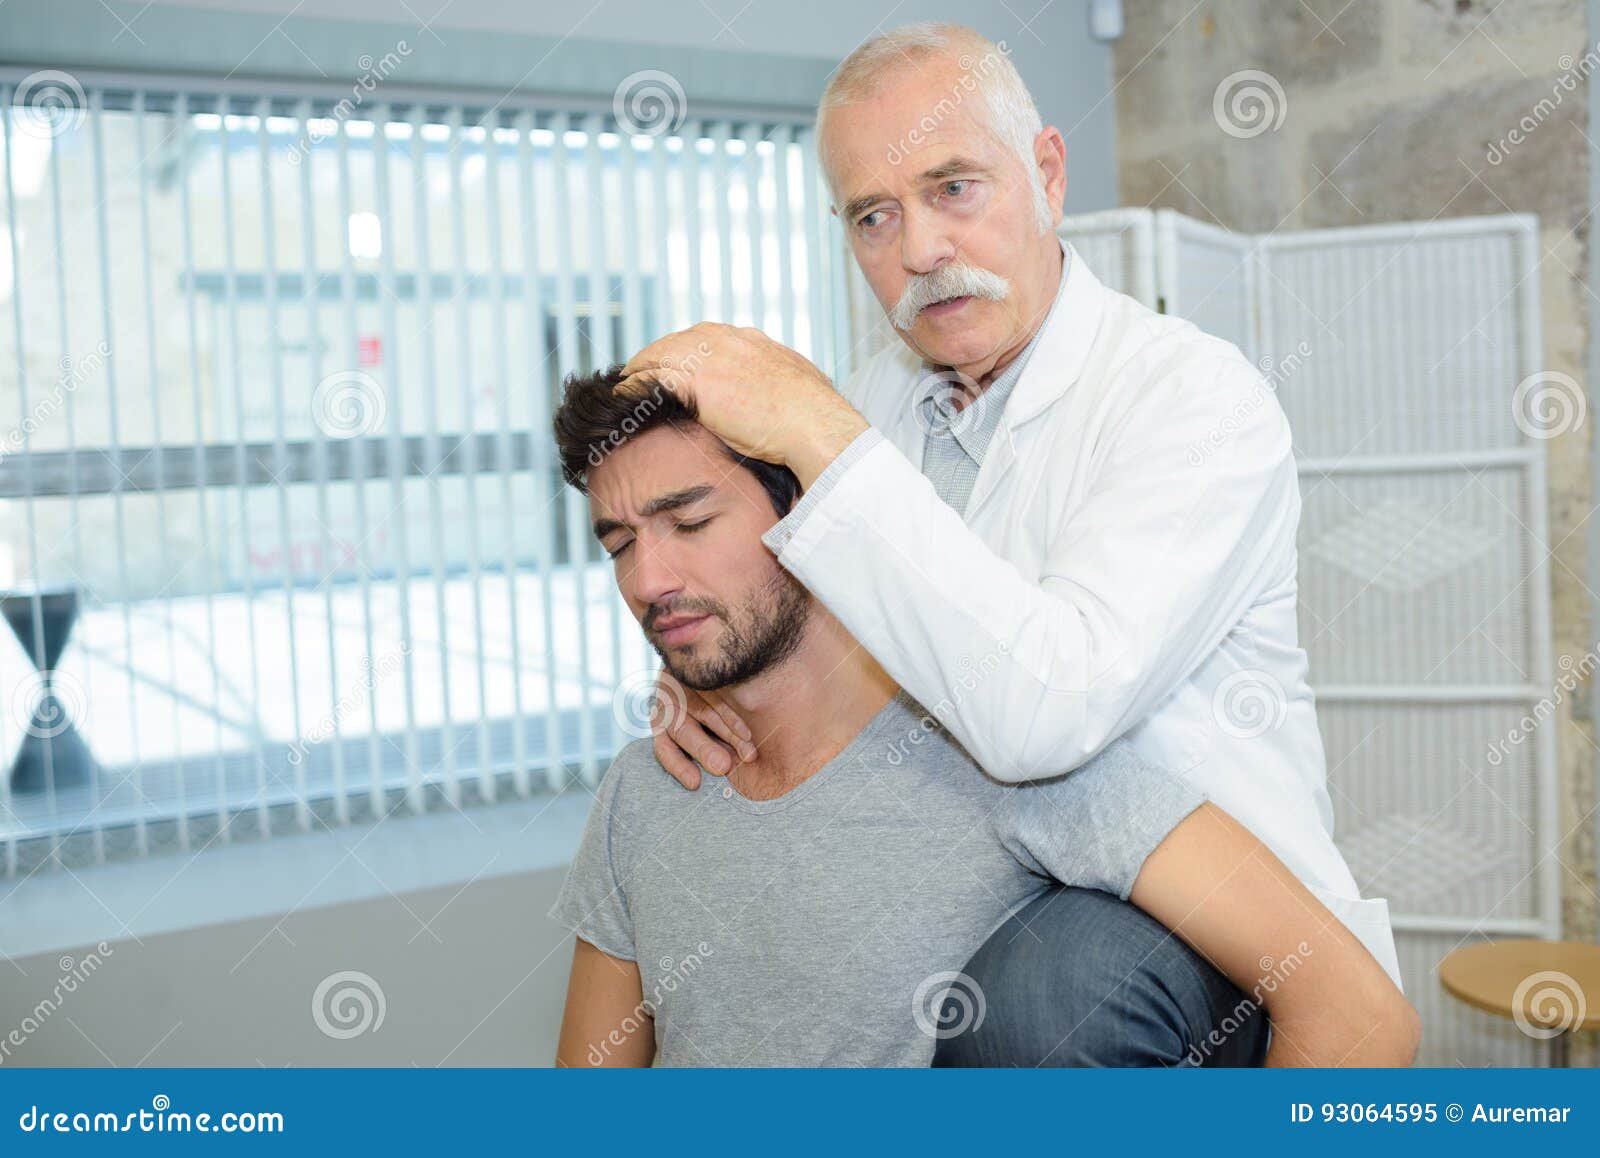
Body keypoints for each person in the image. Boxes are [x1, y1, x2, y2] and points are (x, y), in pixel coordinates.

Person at [617, 24, 1403, 1063]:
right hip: (972, 875)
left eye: (954, 189)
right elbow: (803, 645)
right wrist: (708, 696)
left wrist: (819, 435)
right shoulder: (876, 410)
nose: (919, 251)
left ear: (1045, 173)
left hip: (1187, 910)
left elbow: (1043, 719)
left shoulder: (1190, 400)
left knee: (1042, 998)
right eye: (872, 216)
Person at [546, 365, 1419, 1067]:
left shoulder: (1002, 757)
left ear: (809, 518)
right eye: (619, 544)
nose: (648, 582)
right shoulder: (646, 791)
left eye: (690, 522)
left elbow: (1355, 1013)